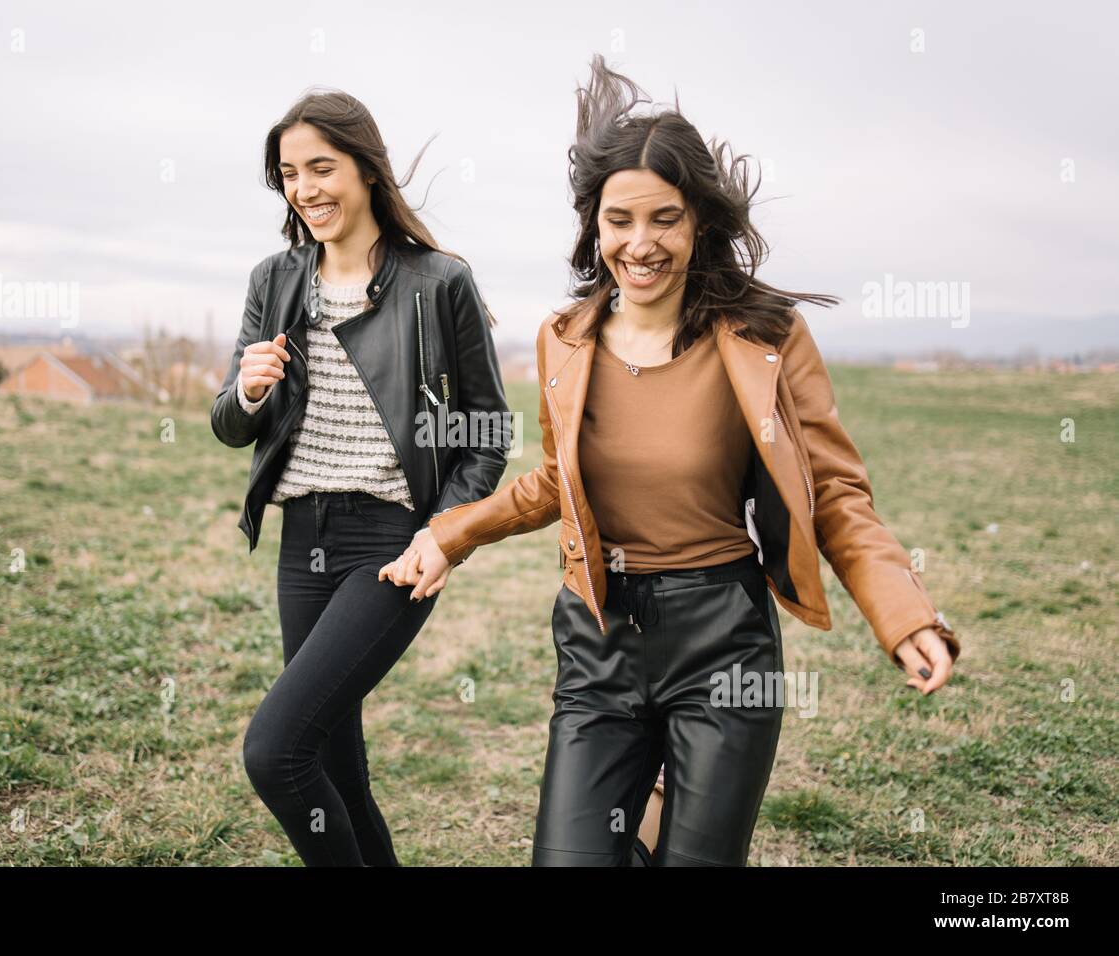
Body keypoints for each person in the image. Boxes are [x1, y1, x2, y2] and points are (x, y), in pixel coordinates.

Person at [380, 55, 960, 866]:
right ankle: (647, 806)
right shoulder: (564, 340)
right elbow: (558, 481)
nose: (640, 243)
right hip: (598, 637)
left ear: (699, 225)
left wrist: (903, 617)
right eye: (620, 220)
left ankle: (662, 812)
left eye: (665, 219)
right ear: (594, 226)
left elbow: (831, 490)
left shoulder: (765, 338)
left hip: (723, 641)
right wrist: (453, 533)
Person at [212, 88, 511, 865]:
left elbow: (485, 434)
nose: (305, 188)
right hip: (301, 541)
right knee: (334, 766)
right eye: (288, 173)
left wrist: (443, 533)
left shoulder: (437, 283)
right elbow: (228, 422)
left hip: (391, 544)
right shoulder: (273, 279)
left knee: (275, 752)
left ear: (367, 170)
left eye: (322, 167)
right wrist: (247, 390)